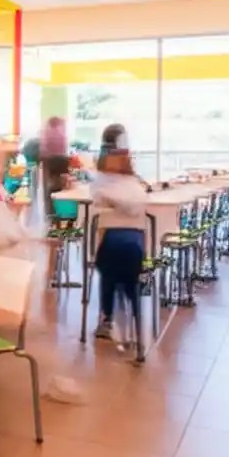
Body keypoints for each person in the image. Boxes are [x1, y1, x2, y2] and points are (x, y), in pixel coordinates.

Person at [90, 144, 148, 343]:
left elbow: (96, 204)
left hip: (109, 245)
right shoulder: (136, 185)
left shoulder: (100, 184)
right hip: (136, 245)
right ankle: (134, 317)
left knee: (108, 270)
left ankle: (107, 317)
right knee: (128, 274)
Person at [40, 117, 70, 215]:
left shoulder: (46, 133)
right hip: (61, 160)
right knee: (62, 186)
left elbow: (43, 150)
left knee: (49, 187)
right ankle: (65, 211)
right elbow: (64, 148)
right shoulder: (62, 134)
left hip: (50, 161)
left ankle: (51, 211)